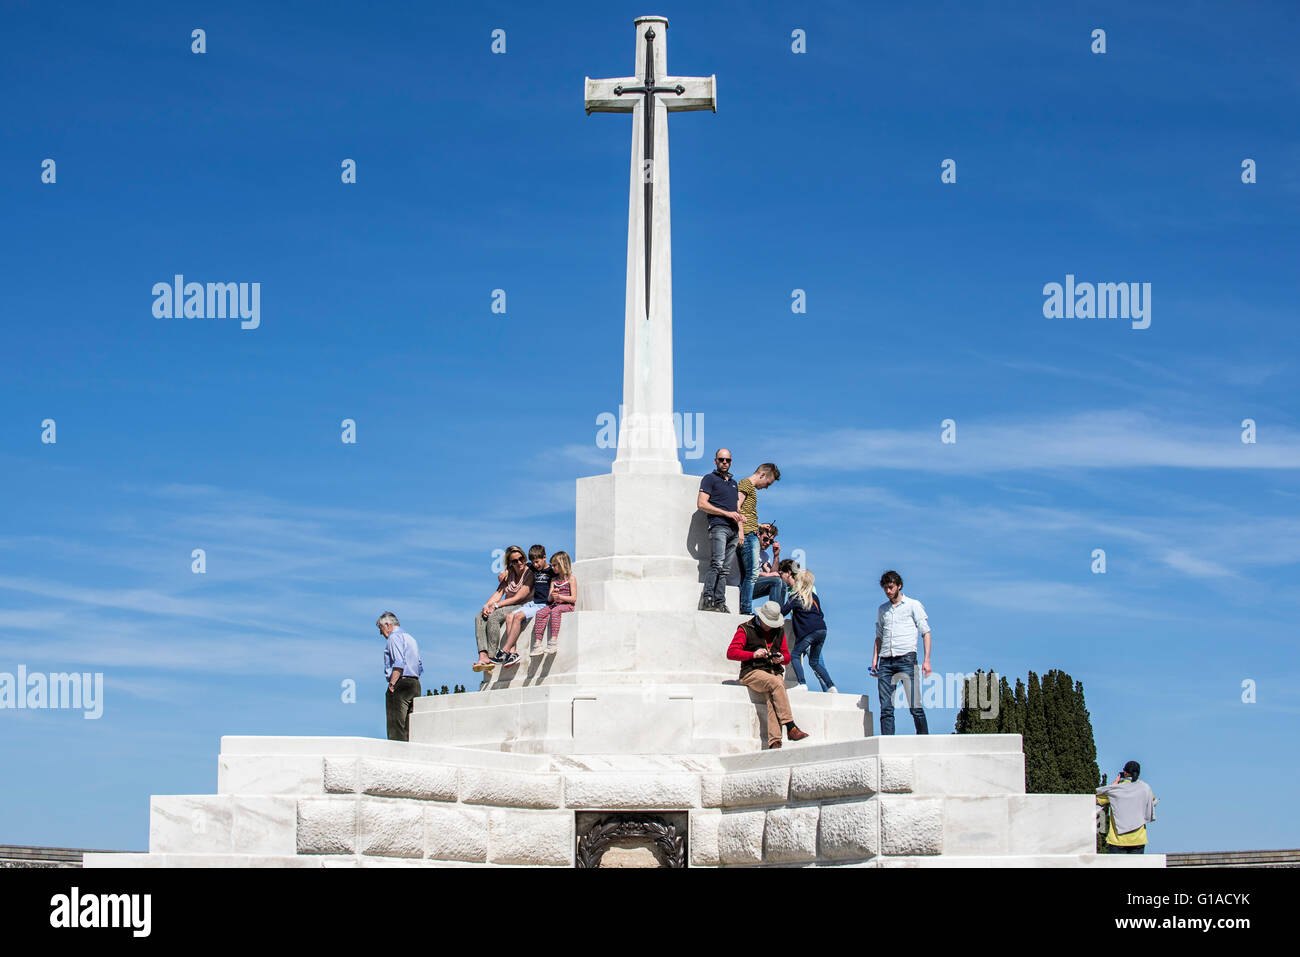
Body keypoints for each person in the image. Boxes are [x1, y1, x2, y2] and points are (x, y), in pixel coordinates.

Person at [726, 601, 810, 749]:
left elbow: (786, 655)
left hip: (773, 671)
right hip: (752, 672)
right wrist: (753, 654)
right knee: (777, 683)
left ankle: (775, 742)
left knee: (773, 696)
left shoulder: (779, 630)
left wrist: (782, 658)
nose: (771, 626)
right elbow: (731, 653)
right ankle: (790, 726)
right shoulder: (745, 629)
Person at [872, 570, 931, 734]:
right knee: (886, 708)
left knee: (915, 706)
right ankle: (888, 745)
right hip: (885, 661)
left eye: (891, 587)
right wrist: (874, 661)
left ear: (899, 586)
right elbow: (879, 637)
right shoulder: (882, 609)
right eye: (885, 588)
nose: (888, 591)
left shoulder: (913, 605)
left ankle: (924, 740)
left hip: (906, 659)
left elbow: (925, 633)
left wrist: (926, 660)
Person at [473, 545, 533, 673]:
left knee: (495, 616)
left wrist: (496, 606)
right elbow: (499, 593)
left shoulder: (529, 573)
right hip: (506, 604)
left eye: (521, 558)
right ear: (510, 563)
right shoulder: (509, 574)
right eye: (515, 561)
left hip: (522, 604)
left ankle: (492, 655)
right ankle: (482, 655)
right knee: (480, 617)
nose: (519, 562)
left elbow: (519, 597)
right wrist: (487, 605)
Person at [697, 448, 744, 613]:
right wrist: (725, 513)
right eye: (721, 460)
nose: (725, 463)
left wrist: (739, 522)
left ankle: (720, 601)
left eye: (728, 460)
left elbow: (735, 508)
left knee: (725, 569)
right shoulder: (709, 479)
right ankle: (707, 599)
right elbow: (702, 504)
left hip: (732, 528)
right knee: (717, 564)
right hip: (719, 526)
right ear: (715, 461)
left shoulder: (733, 483)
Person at [779, 565, 837, 693]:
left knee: (795, 655)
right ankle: (831, 686)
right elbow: (821, 614)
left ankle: (802, 683)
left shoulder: (794, 596)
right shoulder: (813, 597)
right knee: (814, 661)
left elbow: (782, 612)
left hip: (808, 632)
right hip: (822, 630)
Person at [735, 463, 782, 614]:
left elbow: (747, 513)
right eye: (768, 483)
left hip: (751, 530)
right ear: (762, 475)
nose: (766, 487)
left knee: (754, 573)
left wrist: (760, 525)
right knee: (752, 574)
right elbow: (737, 506)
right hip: (747, 534)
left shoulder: (750, 488)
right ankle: (746, 609)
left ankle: (769, 612)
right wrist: (740, 531)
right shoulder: (746, 484)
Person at [499, 545, 551, 666]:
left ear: (544, 557)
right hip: (533, 603)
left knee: (518, 616)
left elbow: (563, 572)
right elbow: (517, 566)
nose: (536, 565)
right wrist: (506, 571)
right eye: (533, 562)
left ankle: (504, 650)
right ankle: (512, 652)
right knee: (509, 616)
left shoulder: (551, 571)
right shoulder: (531, 567)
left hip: (544, 604)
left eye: (537, 561)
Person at [377, 612, 422, 741]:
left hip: (401, 682)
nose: (381, 633)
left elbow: (398, 662)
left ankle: (396, 755)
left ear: (387, 624)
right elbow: (419, 665)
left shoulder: (394, 637)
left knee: (396, 726)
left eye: (381, 628)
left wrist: (392, 684)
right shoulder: (410, 638)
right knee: (410, 727)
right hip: (414, 683)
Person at [1096, 761, 1158, 853]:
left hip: (1117, 840)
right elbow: (1152, 800)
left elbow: (1097, 799)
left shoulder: (1116, 789)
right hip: (1138, 839)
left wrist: (1116, 782)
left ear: (1124, 773)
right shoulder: (1145, 788)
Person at [532, 550, 576, 655]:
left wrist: (560, 596)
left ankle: (553, 641)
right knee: (540, 613)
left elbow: (573, 598)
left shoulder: (571, 579)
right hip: (554, 604)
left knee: (555, 611)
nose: (552, 567)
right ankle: (538, 643)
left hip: (567, 606)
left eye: (555, 565)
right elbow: (549, 599)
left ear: (562, 564)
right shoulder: (553, 580)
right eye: (552, 565)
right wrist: (552, 595)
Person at [750, 524, 787, 607]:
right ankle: (773, 614)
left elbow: (772, 574)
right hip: (743, 585)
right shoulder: (749, 548)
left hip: (754, 585)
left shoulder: (764, 555)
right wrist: (767, 574)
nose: (767, 543)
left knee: (782, 584)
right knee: (776, 581)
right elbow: (748, 571)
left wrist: (776, 556)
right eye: (765, 539)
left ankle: (777, 613)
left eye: (770, 541)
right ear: (758, 535)